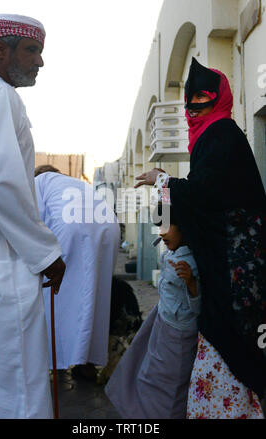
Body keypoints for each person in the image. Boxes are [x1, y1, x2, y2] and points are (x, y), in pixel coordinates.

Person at [135, 57, 266, 418]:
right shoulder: (210, 139)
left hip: (236, 271)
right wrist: (168, 186)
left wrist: (164, 182)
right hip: (224, 271)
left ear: (218, 100)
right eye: (188, 104)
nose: (193, 110)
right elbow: (194, 199)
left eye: (202, 102)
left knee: (234, 347)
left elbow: (203, 195)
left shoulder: (221, 134)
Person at [0, 15, 66, 418]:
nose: (40, 62)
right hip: (2, 266)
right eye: (32, 51)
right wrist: (46, 253)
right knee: (16, 385)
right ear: (1, 51)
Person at [105, 206, 201, 418]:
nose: (162, 233)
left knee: (171, 386)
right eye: (160, 227)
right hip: (161, 327)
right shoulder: (170, 254)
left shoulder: (194, 262)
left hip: (180, 336)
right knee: (149, 376)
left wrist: (192, 284)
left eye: (167, 226)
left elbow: (199, 308)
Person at [34, 166, 120, 380]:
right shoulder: (78, 185)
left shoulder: (39, 181)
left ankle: (57, 362)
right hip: (108, 227)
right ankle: (86, 362)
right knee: (95, 297)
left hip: (72, 230)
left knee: (55, 297)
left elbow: (33, 222)